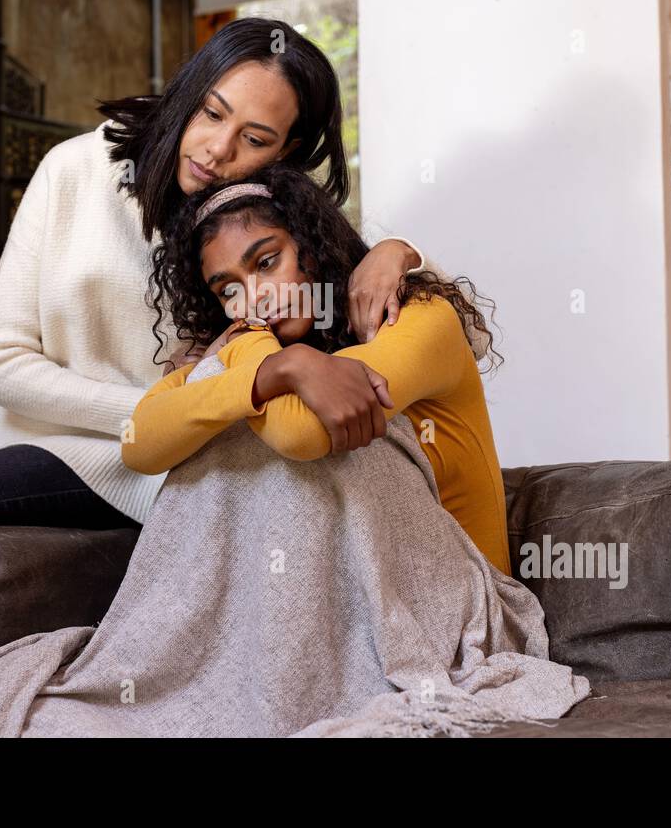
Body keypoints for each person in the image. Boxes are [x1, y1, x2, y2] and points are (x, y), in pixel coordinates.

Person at [0, 17, 429, 738]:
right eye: (212, 112)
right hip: (26, 407)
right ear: (189, 93)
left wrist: (393, 251)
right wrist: (170, 404)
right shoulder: (77, 167)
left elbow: (377, 291)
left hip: (123, 461)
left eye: (255, 138)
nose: (219, 149)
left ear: (287, 151)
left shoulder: (261, 220)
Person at [122, 162, 512, 576]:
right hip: (345, 605)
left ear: (311, 246)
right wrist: (276, 364)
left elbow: (301, 432)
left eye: (268, 262)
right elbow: (139, 444)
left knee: (267, 434)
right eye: (228, 290)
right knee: (223, 427)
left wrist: (257, 350)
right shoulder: (259, 346)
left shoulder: (421, 318)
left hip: (457, 595)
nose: (255, 298)